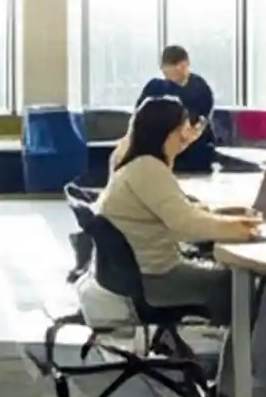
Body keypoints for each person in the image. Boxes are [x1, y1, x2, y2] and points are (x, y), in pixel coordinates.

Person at [97, 96, 257, 323]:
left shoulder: (135, 161)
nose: (186, 135)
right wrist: (242, 230)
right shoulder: (148, 169)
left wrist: (225, 215)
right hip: (156, 278)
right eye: (183, 129)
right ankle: (238, 354)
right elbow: (185, 225)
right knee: (235, 282)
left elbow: (179, 209)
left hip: (138, 270)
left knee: (217, 263)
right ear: (168, 132)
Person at [132, 45, 215, 173]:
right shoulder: (155, 88)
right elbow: (138, 116)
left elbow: (199, 123)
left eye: (171, 72)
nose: (168, 77)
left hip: (194, 153)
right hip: (161, 152)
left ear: (184, 65)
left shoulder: (200, 89)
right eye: (165, 72)